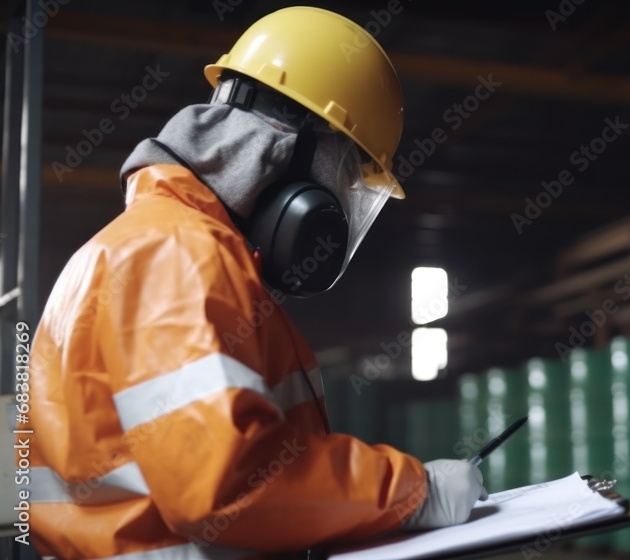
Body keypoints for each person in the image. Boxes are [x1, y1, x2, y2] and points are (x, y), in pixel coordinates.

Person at [25, 6, 486, 559]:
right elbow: (223, 482)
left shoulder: (128, 247)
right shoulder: (180, 254)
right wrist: (416, 492)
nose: (338, 210)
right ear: (289, 153)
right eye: (344, 176)